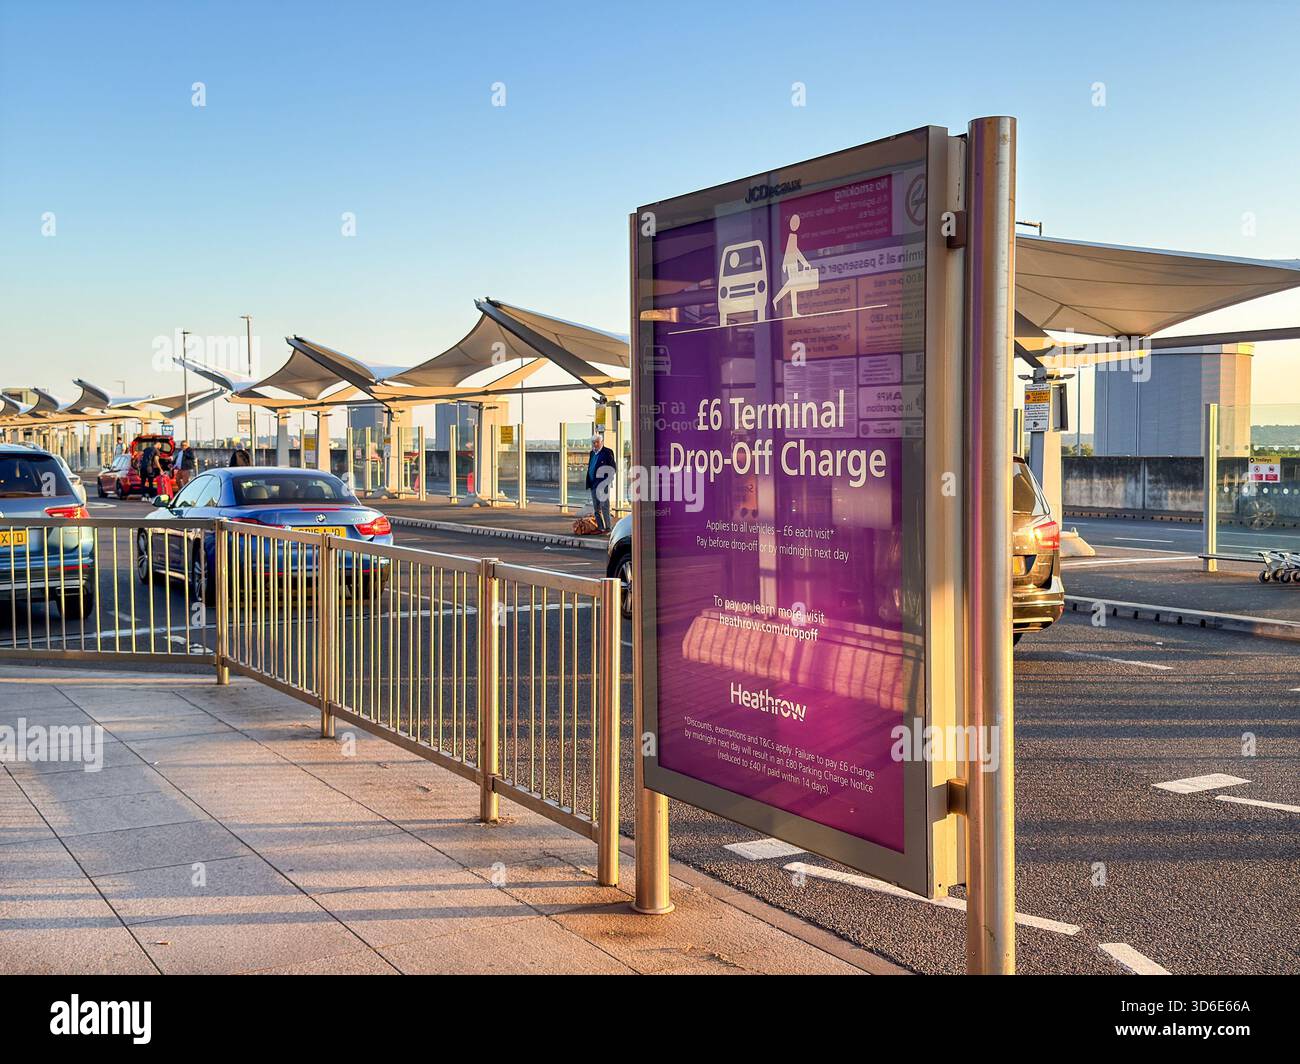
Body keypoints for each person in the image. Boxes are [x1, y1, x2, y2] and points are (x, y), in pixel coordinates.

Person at [585, 431, 616, 533]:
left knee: (604, 506)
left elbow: (612, 468)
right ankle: (600, 527)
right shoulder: (592, 453)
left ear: (601, 442)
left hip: (603, 484)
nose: (595, 444)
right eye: (593, 442)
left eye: (597, 442)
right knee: (596, 508)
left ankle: (608, 527)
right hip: (593, 484)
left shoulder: (607, 452)